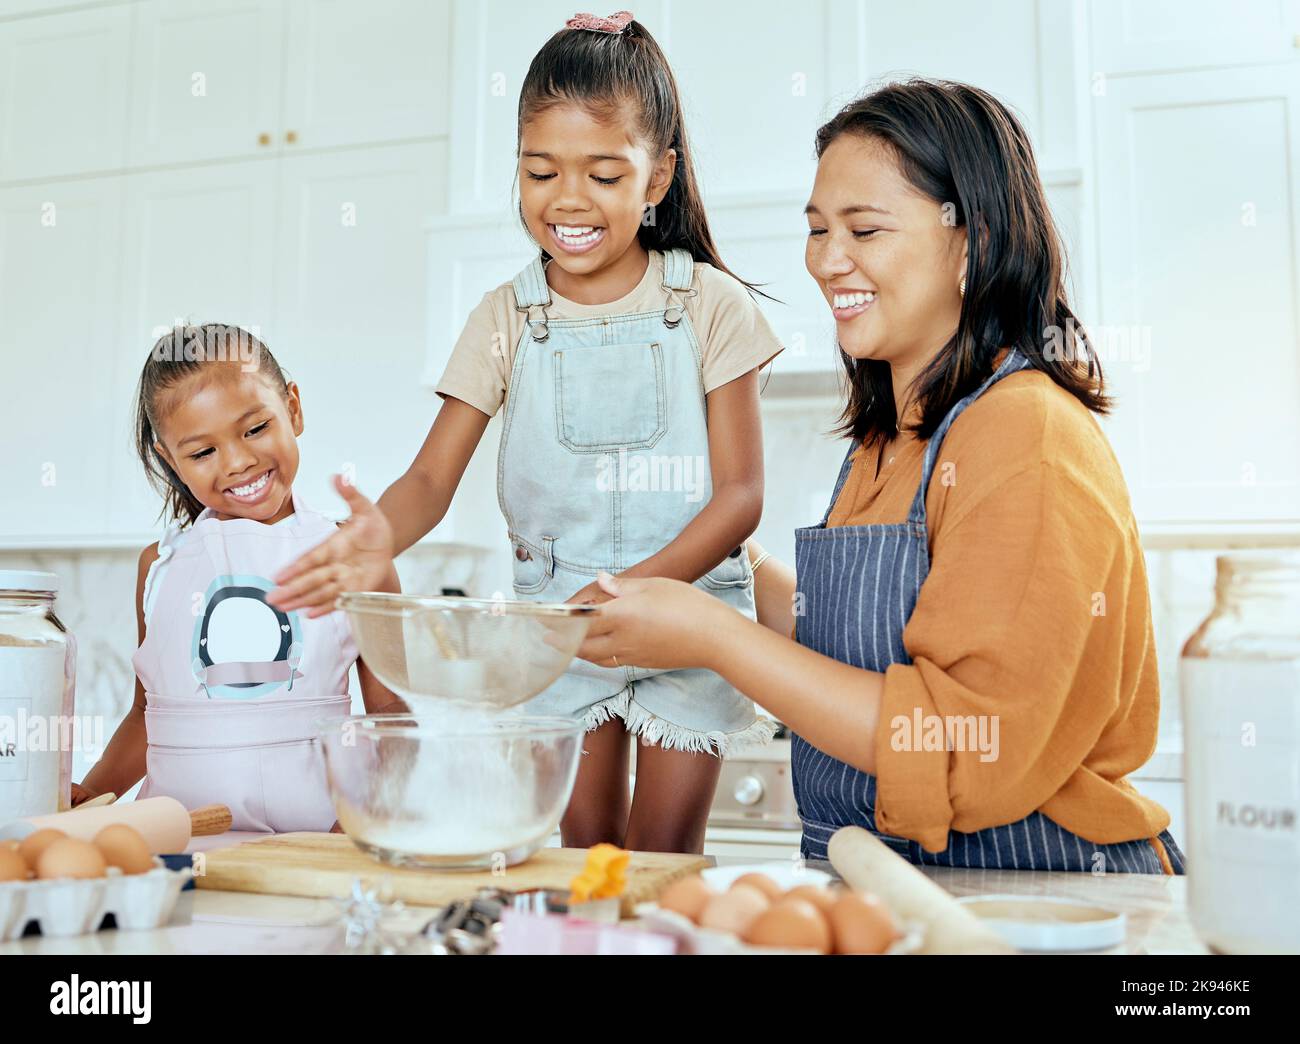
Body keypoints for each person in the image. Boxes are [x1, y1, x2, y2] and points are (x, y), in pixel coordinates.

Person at [571, 80, 1186, 874]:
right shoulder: (886, 440)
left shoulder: (1027, 436)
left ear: (975, 238)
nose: (826, 260)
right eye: (818, 228)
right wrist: (715, 559)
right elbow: (860, 650)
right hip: (893, 890)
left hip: (1039, 903)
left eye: (864, 228)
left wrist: (710, 634)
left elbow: (967, 745)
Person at [267, 14, 783, 854]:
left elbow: (740, 497)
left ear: (658, 180)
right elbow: (430, 481)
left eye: (604, 174)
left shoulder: (711, 307)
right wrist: (375, 532)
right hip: (557, 636)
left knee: (660, 863)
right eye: (541, 171)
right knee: (583, 862)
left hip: (693, 624)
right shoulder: (506, 318)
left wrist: (633, 594)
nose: (568, 200)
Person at [76, 324, 403, 831]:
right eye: (202, 452)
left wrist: (355, 823)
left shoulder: (354, 558)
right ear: (171, 459)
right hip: (182, 848)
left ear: (292, 408)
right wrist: (94, 793)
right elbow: (148, 714)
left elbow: (394, 716)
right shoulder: (158, 568)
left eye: (254, 429)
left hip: (317, 848)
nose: (238, 462)